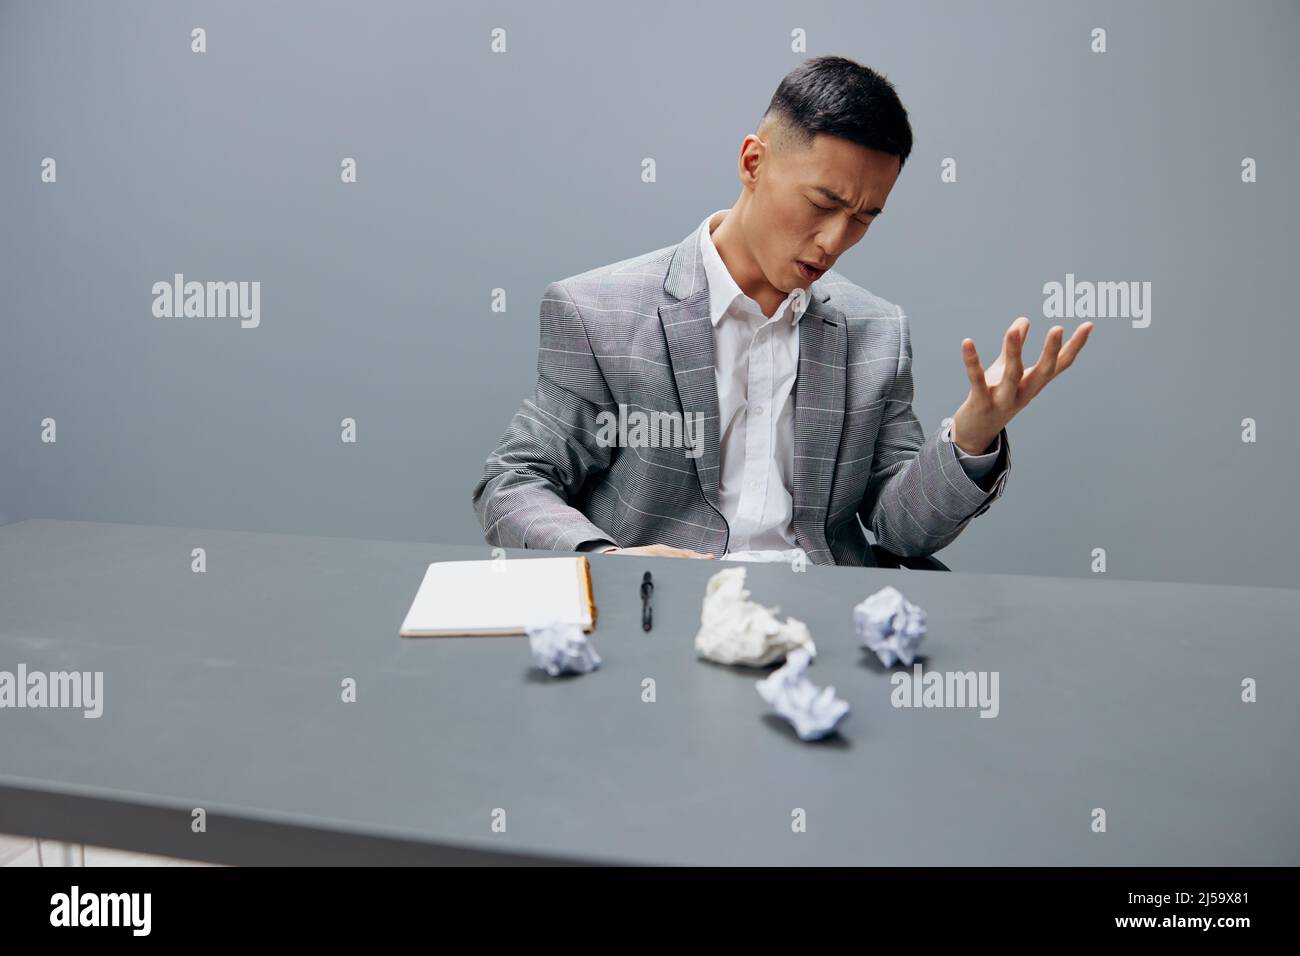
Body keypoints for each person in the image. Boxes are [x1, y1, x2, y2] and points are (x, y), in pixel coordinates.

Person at [473, 55, 1090, 566]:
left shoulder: (875, 331)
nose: (834, 242)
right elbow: (513, 486)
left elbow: (900, 531)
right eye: (824, 202)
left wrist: (973, 434)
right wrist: (606, 561)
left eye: (864, 219)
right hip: (667, 623)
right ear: (753, 162)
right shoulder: (598, 313)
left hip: (829, 627)